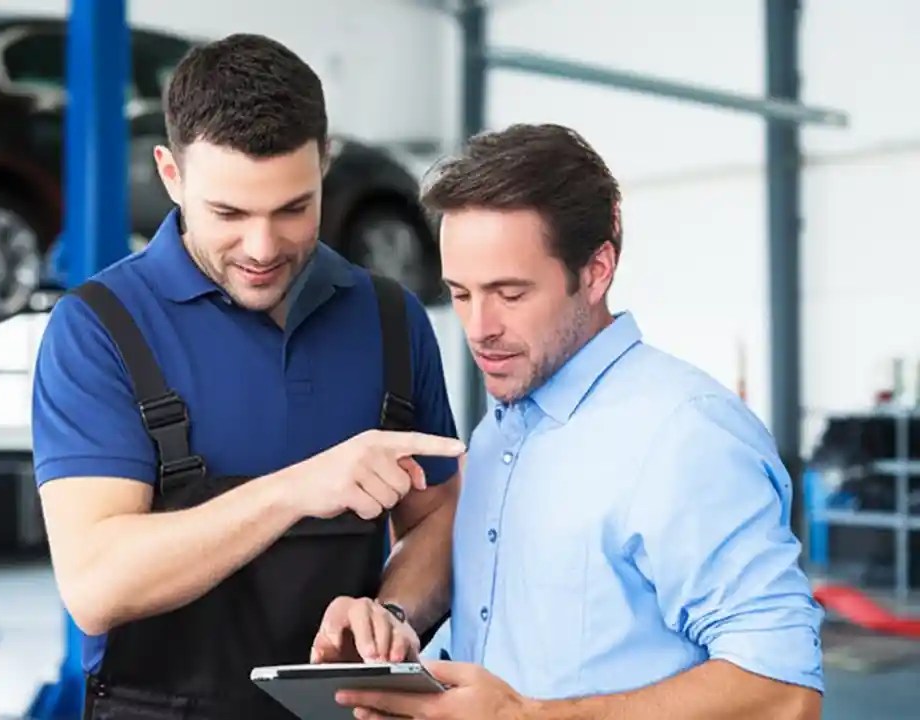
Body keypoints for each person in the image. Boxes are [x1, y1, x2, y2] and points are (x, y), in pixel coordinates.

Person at [31, 33, 465, 720]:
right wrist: (296, 489)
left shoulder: (390, 322)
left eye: (293, 208)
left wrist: (392, 612)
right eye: (229, 214)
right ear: (171, 174)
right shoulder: (98, 332)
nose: (263, 248)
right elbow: (95, 582)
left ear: (324, 163)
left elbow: (440, 513)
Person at [329, 124, 825, 719]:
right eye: (461, 294)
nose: (478, 328)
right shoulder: (501, 431)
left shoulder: (685, 435)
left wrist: (525, 718)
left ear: (596, 270)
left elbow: (783, 692)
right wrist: (393, 623)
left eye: (509, 294)